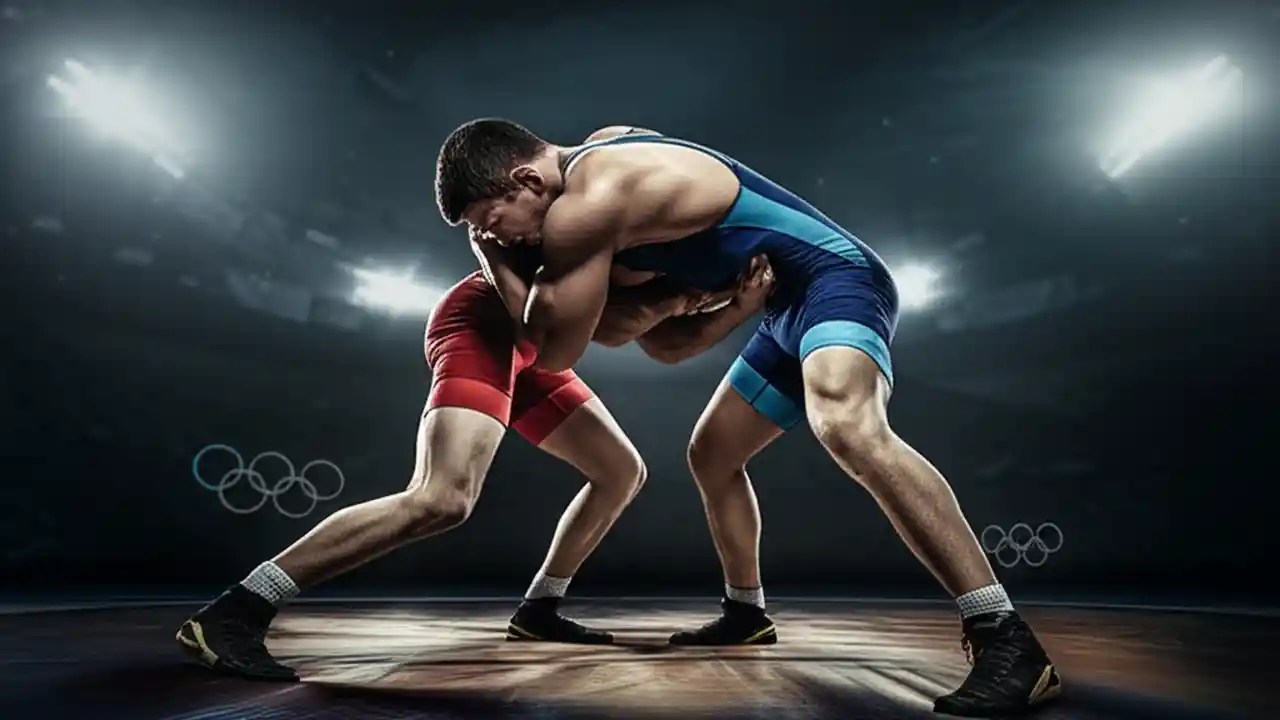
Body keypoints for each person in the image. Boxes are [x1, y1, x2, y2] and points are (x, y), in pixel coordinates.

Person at [433, 118, 1062, 716]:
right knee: (713, 453)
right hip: (784, 307)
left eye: (492, 222)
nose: (498, 237)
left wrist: (496, 265)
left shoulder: (590, 203)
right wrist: (710, 306)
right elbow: (663, 345)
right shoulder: (609, 173)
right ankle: (746, 613)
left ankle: (1003, 633)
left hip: (837, 278)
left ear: (526, 180)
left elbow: (552, 352)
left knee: (847, 425)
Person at [174, 128, 774, 683]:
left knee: (620, 471)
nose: (500, 234)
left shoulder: (616, 200)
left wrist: (722, 304)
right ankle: (237, 611)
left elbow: (632, 328)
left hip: (526, 344)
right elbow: (551, 328)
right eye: (487, 225)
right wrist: (499, 261)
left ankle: (539, 609)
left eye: (493, 220)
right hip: (481, 325)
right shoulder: (546, 222)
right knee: (442, 497)